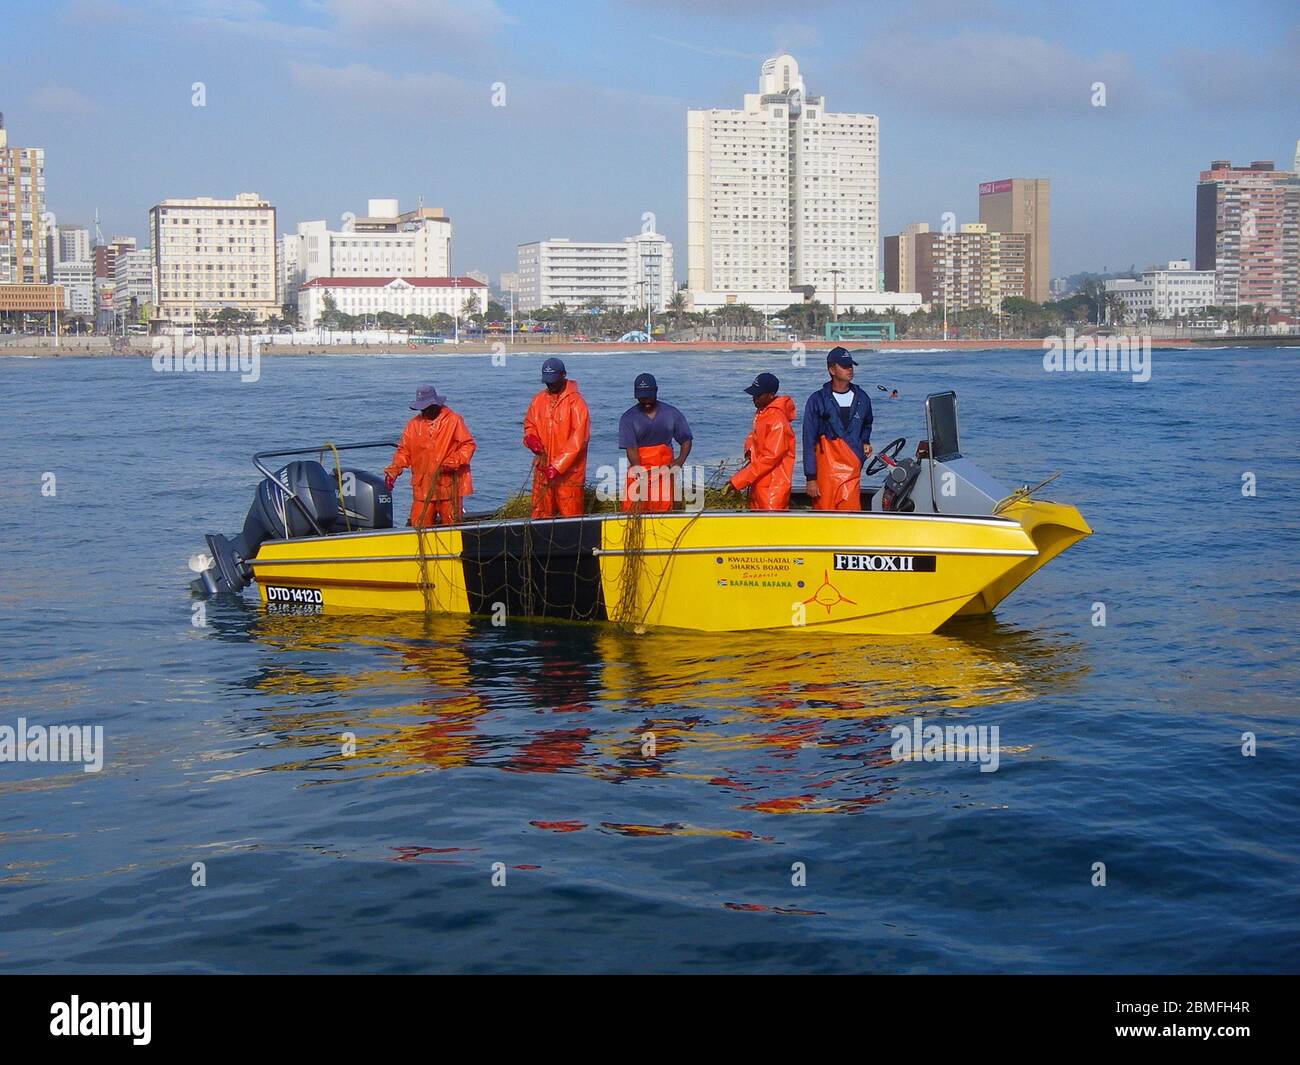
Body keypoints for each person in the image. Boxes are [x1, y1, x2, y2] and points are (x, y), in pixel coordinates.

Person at [385, 384, 476, 527]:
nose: (425, 411)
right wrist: (393, 471)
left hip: (448, 485)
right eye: (423, 408)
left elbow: (468, 445)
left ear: (436, 403)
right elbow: (403, 451)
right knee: (418, 525)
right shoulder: (413, 425)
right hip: (422, 487)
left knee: (452, 525)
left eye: (428, 407)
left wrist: (453, 462)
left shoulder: (454, 420)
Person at [802, 347, 873, 511]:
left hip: (852, 472)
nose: (850, 369)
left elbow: (867, 424)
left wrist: (865, 442)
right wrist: (811, 478)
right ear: (831, 370)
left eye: (851, 365)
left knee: (851, 520)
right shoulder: (817, 400)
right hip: (825, 475)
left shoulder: (862, 398)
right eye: (844, 365)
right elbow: (808, 440)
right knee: (824, 521)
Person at [522, 357, 590, 518]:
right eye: (547, 381)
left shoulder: (576, 403)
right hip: (543, 469)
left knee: (570, 515)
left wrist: (558, 466)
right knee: (540, 512)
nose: (550, 385)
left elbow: (579, 440)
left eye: (553, 381)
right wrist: (530, 438)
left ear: (563, 375)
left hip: (569, 474)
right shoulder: (538, 400)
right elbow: (529, 424)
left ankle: (573, 543)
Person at [618, 373, 692, 512]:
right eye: (641, 398)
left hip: (665, 471)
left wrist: (680, 460)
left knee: (665, 510)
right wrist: (639, 475)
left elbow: (686, 439)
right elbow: (631, 450)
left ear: (656, 391)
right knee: (634, 510)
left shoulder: (671, 413)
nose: (645, 401)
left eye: (648, 397)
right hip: (639, 469)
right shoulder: (628, 418)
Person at [728, 371, 796, 511]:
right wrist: (749, 452)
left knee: (770, 529)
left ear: (770, 395)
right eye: (753, 394)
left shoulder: (777, 421)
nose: (754, 398)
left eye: (758, 395)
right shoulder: (762, 414)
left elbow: (769, 458)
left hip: (772, 491)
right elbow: (755, 439)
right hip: (759, 485)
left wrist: (738, 480)